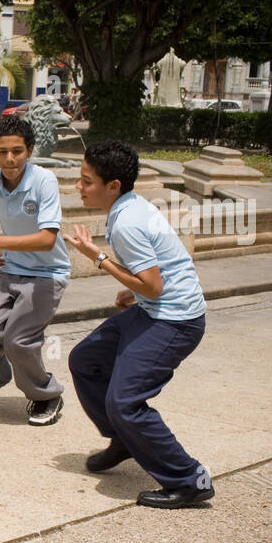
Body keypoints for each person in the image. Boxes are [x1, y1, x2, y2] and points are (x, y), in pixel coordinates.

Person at [65, 140, 213, 509]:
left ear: (113, 185)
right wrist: (133, 294)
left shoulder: (127, 221)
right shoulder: (129, 206)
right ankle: (124, 440)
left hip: (175, 321)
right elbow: (164, 264)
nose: (78, 188)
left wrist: (97, 257)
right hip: (153, 308)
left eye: (86, 181)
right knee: (85, 359)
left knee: (124, 401)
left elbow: (154, 284)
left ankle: (189, 478)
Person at [0, 114, 68, 425]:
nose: (10, 159)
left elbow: (47, 239)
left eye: (17, 151)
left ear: (30, 151)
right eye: (3, 151)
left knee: (18, 339)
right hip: (11, 269)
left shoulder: (44, 181)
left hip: (48, 274)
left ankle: (47, 394)